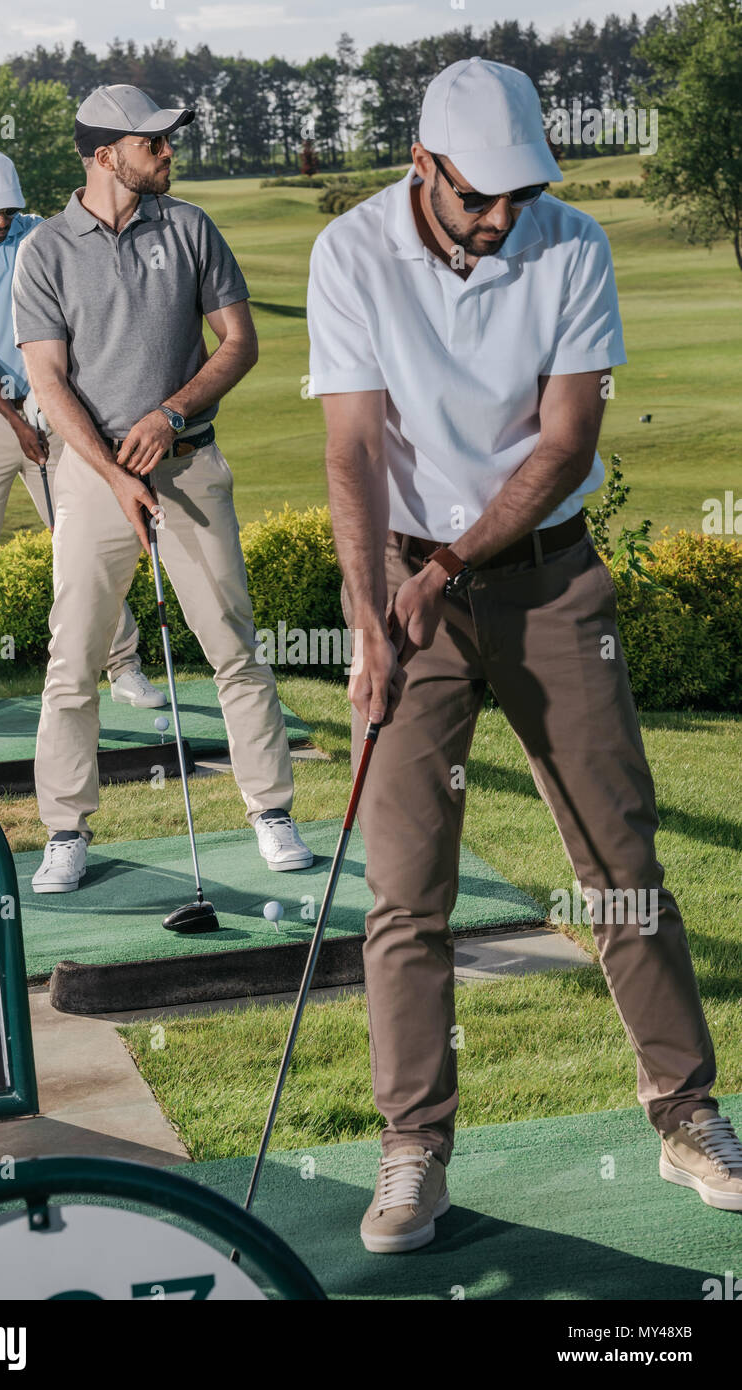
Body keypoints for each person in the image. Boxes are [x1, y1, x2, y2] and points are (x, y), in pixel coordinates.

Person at [307, 57, 742, 1253]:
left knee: (621, 855)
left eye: (519, 193)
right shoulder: (349, 252)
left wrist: (447, 567)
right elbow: (352, 448)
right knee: (406, 888)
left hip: (548, 578)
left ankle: (686, 1113)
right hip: (406, 588)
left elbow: (567, 439)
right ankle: (413, 1147)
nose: (501, 216)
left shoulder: (572, 244)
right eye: (477, 194)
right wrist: (370, 611)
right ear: (423, 165)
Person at [12, 85, 313, 893]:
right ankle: (66, 829)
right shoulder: (45, 250)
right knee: (73, 661)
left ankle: (270, 811)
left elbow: (239, 342)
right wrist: (114, 474)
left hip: (189, 467)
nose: (169, 152)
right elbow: (47, 381)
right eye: (154, 143)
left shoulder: (189, 227)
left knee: (233, 647)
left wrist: (171, 414)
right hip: (91, 477)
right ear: (106, 155)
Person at [0, 149, 161, 729]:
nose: (3, 222)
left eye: (9, 211)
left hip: (57, 412)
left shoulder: (38, 234)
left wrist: (52, 406)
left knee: (88, 541)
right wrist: (18, 421)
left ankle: (123, 667)